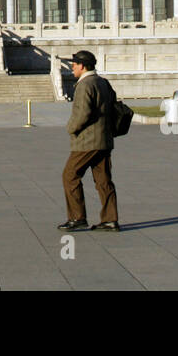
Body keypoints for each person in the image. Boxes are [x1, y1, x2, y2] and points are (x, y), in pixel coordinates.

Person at [58, 50, 119, 232]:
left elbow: (82, 113)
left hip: (87, 142)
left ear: (83, 66)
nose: (72, 68)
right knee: (103, 180)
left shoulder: (85, 85)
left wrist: (71, 128)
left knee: (70, 175)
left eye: (74, 65)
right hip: (104, 140)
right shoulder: (102, 82)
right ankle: (110, 219)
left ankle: (77, 217)